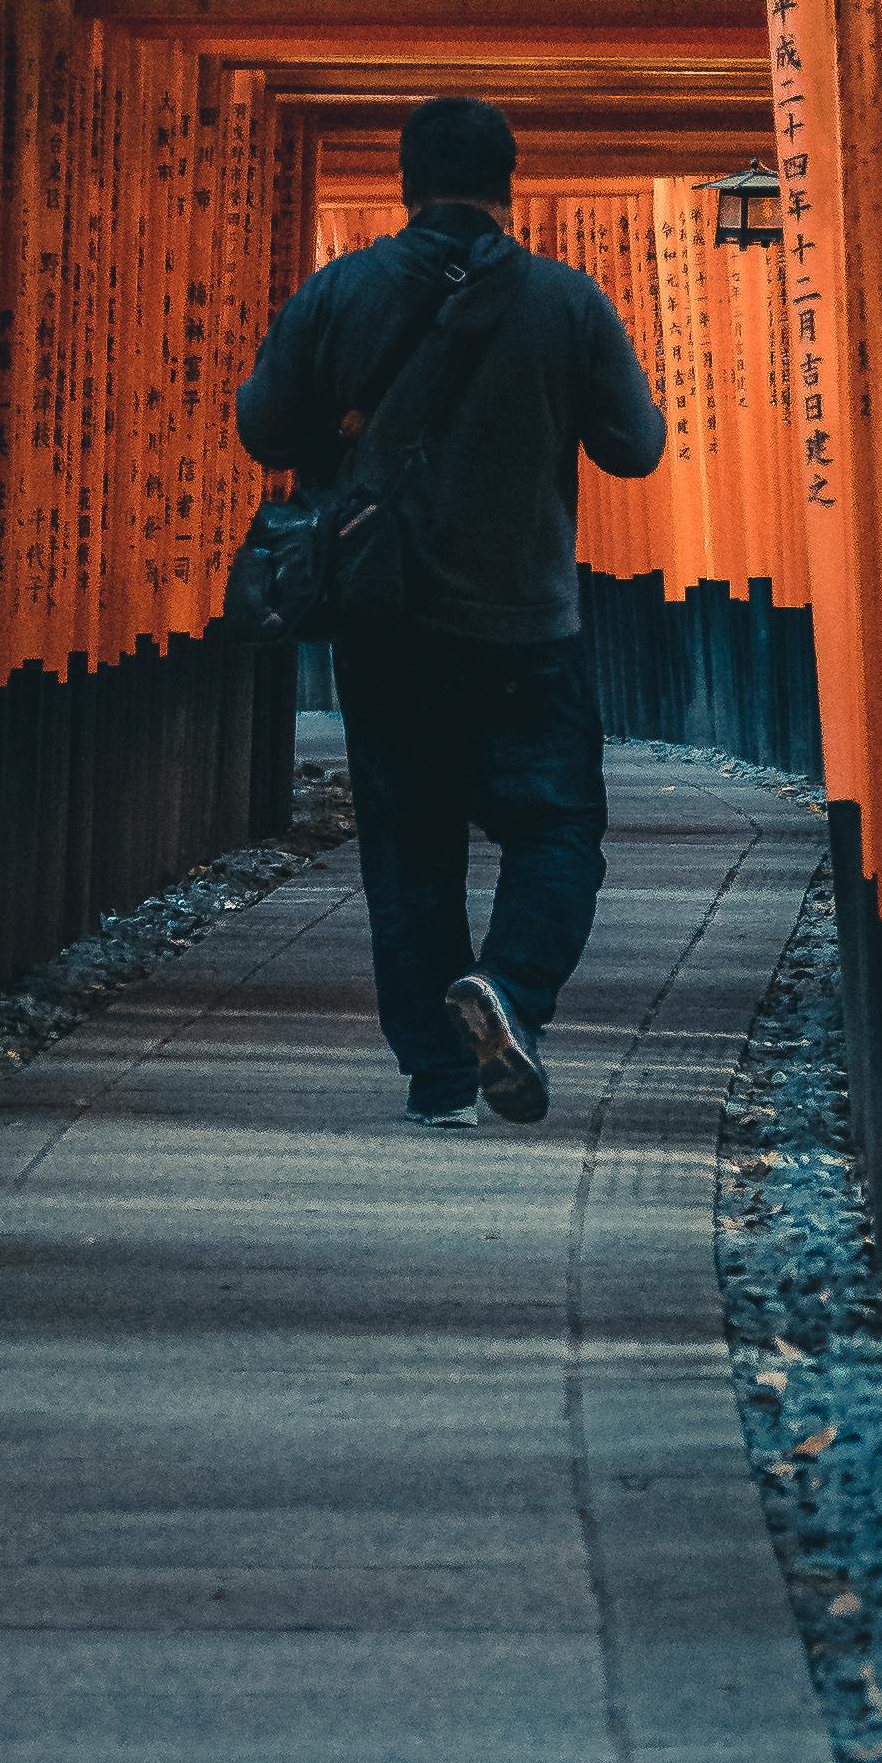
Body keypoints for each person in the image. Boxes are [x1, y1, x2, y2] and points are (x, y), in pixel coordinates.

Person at [234, 93, 667, 1129]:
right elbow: (635, 446)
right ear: (508, 184)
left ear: (403, 182)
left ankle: (436, 1077)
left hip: (385, 621)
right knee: (558, 827)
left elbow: (263, 430)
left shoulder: (339, 290)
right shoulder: (565, 300)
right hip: (526, 617)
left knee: (409, 846)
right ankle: (509, 984)